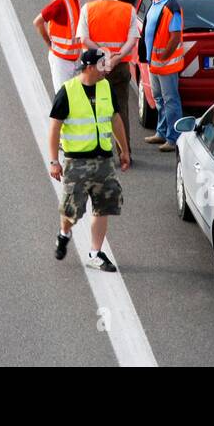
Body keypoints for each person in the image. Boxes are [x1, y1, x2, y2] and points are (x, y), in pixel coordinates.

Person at [48, 49, 131, 271]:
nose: (106, 67)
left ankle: (95, 253)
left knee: (103, 206)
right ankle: (64, 233)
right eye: (102, 64)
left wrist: (124, 150)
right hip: (76, 163)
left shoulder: (106, 88)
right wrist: (54, 161)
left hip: (104, 160)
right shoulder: (68, 91)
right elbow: (55, 126)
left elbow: (115, 119)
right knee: (70, 210)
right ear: (90, 67)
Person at [78, 0, 139, 138]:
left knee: (94, 108)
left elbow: (84, 39)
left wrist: (103, 55)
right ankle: (125, 152)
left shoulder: (88, 8)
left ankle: (98, 150)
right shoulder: (128, 10)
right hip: (119, 67)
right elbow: (132, 40)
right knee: (120, 109)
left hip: (94, 68)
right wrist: (116, 58)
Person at [140, 0, 184, 153]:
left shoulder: (171, 7)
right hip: (154, 64)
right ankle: (162, 132)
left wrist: (164, 56)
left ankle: (173, 139)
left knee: (170, 100)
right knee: (158, 99)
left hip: (166, 65)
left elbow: (175, 36)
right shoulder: (156, 2)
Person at [33, 0, 87, 93]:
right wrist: (50, 44)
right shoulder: (61, 2)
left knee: (71, 98)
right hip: (61, 60)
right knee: (63, 98)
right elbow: (38, 22)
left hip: (73, 59)